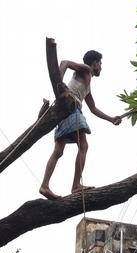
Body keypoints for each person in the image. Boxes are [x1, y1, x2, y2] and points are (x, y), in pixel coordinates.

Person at [39, 50, 122, 199]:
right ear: (94, 63)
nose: (101, 67)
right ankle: (76, 185)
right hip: (71, 107)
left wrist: (111, 119)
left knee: (58, 151)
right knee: (83, 145)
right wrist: (59, 84)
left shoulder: (87, 85)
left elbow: (93, 108)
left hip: (64, 112)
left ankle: (45, 186)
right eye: (100, 63)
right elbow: (65, 63)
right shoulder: (86, 69)